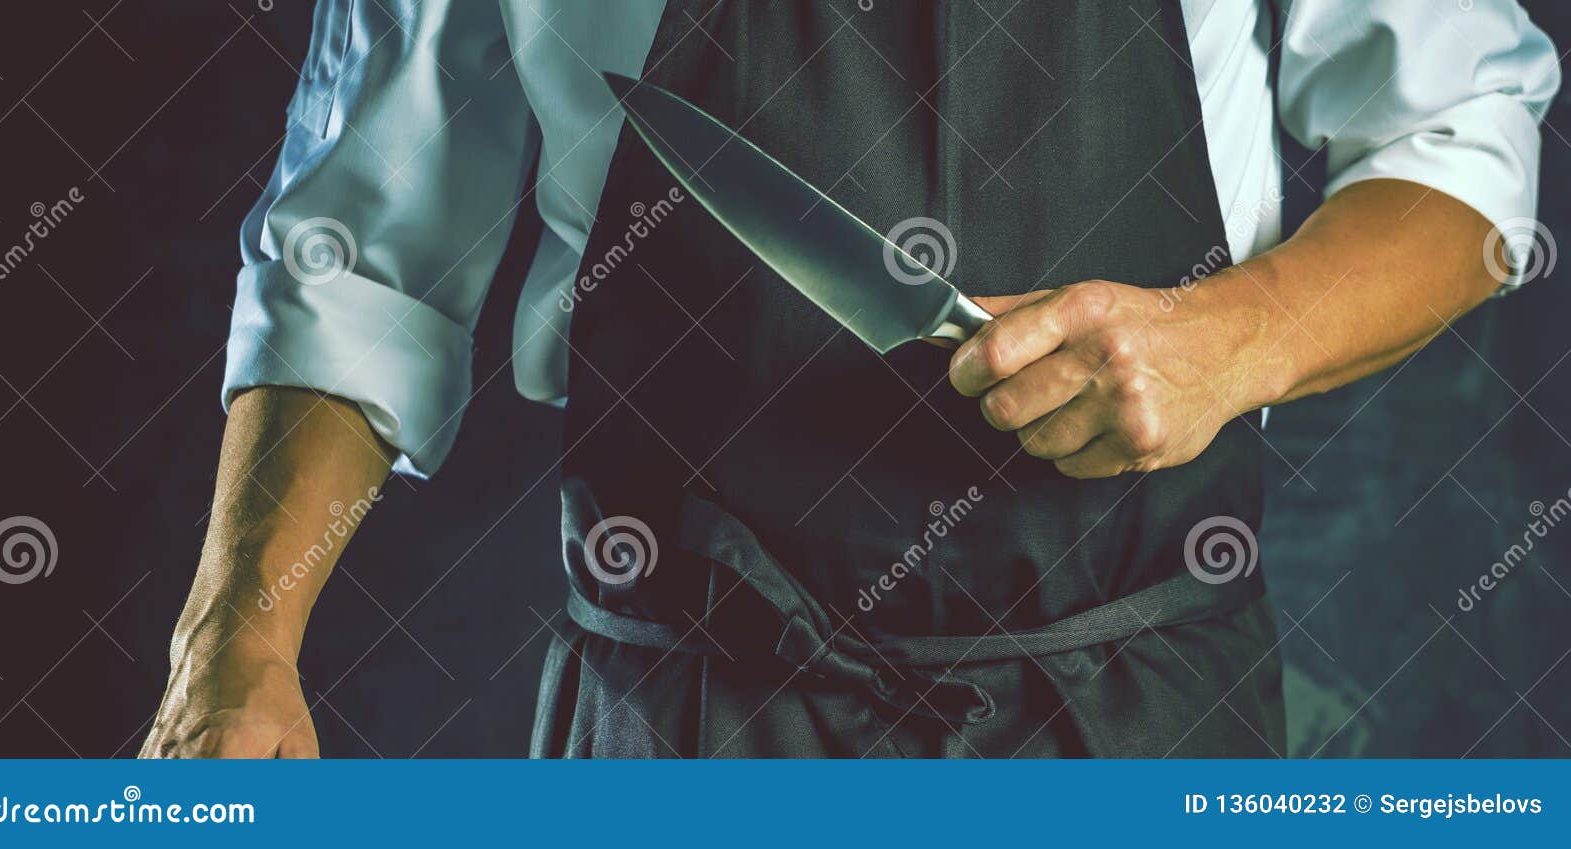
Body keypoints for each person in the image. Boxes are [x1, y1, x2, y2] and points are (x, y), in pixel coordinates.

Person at [140, 0, 1560, 757]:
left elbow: (1460, 137)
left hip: (1132, 719)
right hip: (683, 718)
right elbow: (361, 252)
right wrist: (235, 647)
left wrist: (1237, 335)